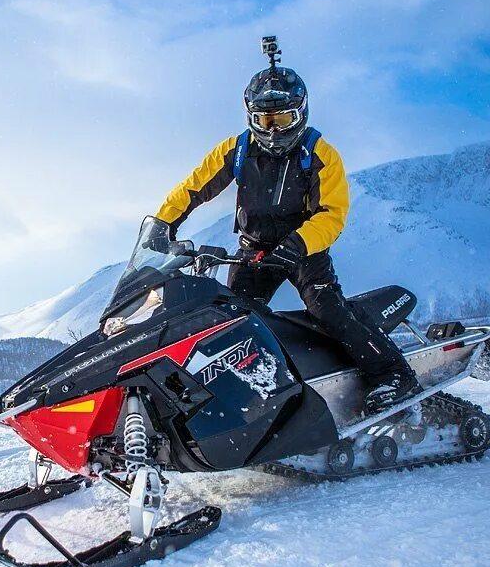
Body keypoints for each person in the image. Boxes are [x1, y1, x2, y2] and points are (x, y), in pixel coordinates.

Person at [154, 44, 420, 415]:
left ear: (301, 113)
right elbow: (193, 187)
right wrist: (165, 221)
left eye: (282, 119)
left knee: (327, 309)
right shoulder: (236, 150)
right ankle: (251, 400)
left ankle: (393, 374)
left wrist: (299, 243)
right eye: (264, 121)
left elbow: (332, 213)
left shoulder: (320, 154)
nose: (273, 130)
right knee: (233, 323)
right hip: (254, 250)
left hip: (303, 251)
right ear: (251, 118)